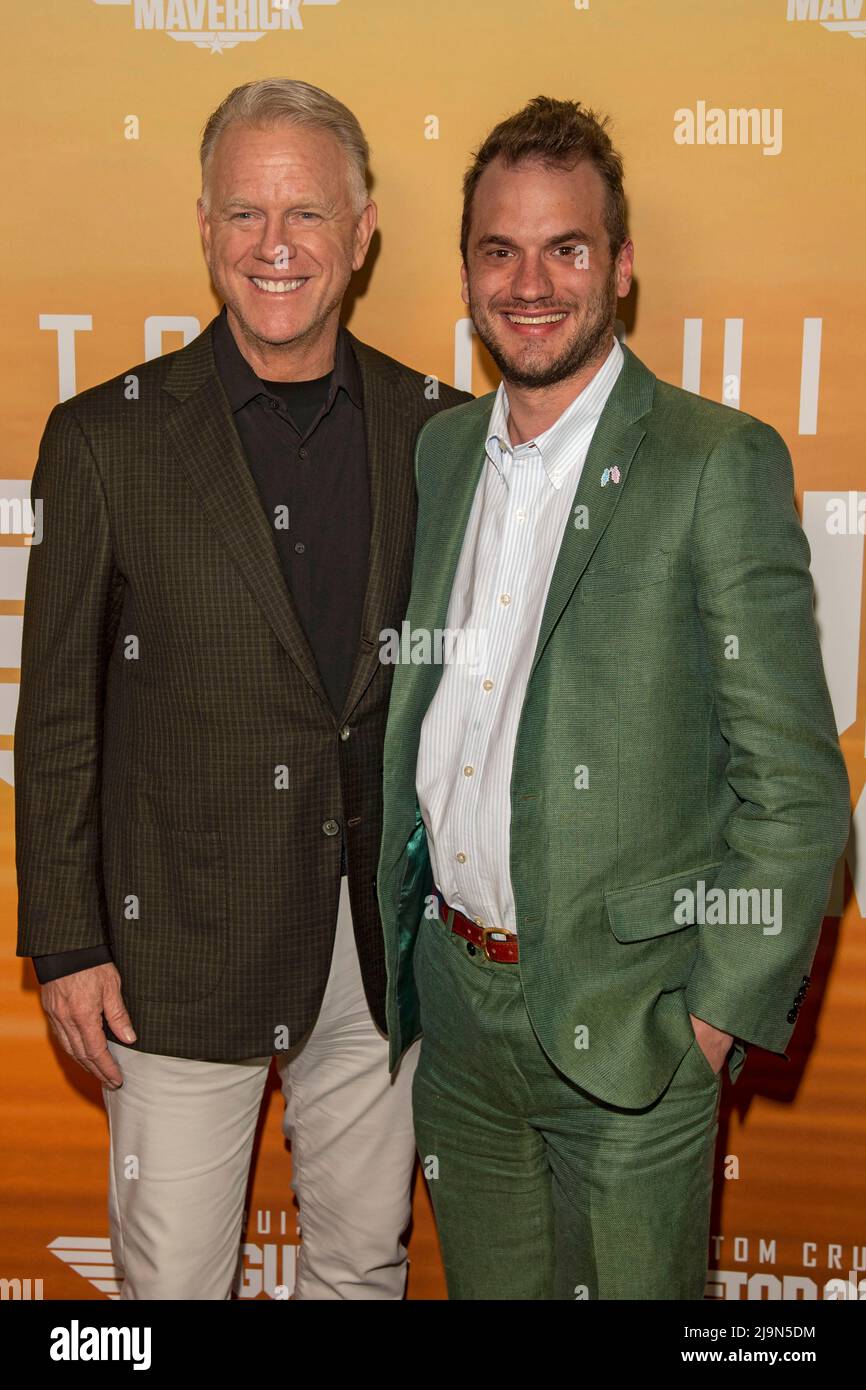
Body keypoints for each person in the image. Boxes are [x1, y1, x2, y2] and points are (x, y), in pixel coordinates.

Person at [376, 95, 850, 1300]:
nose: (529, 282)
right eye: (500, 250)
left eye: (566, 248)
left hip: (637, 1029)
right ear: (468, 271)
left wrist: (710, 1021)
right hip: (458, 1022)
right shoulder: (438, 454)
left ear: (620, 267)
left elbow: (796, 793)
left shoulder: (712, 461)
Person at [15, 77, 470, 1300]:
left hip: (380, 949)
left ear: (363, 231)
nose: (276, 246)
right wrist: (64, 939)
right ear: (205, 228)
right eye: (244, 215)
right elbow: (55, 713)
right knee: (168, 1288)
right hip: (174, 951)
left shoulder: (446, 434)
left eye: (307, 214)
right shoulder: (104, 437)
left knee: (361, 1264)